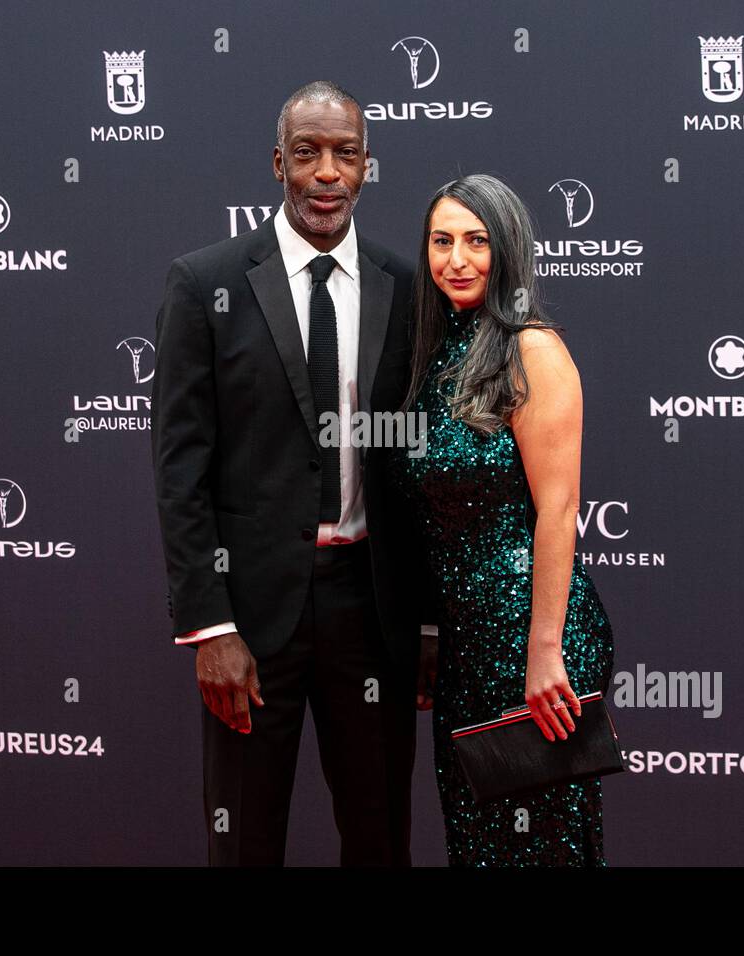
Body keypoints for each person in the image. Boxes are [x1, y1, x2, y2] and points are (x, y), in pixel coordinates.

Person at [151, 80, 432, 865]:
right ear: (279, 163)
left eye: (345, 153)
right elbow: (181, 469)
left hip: (371, 615)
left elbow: (423, 465)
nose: (326, 172)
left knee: (381, 844)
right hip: (248, 614)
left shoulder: (407, 289)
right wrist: (210, 628)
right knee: (242, 844)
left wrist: (432, 617)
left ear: (368, 168)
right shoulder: (204, 283)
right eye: (307, 153)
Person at [388, 173, 615, 866]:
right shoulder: (438, 358)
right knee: (480, 844)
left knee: (544, 846)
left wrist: (545, 649)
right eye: (441, 241)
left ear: (508, 250)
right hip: (465, 645)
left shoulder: (533, 351)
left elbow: (559, 511)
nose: (456, 259)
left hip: (533, 636)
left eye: (476, 241)